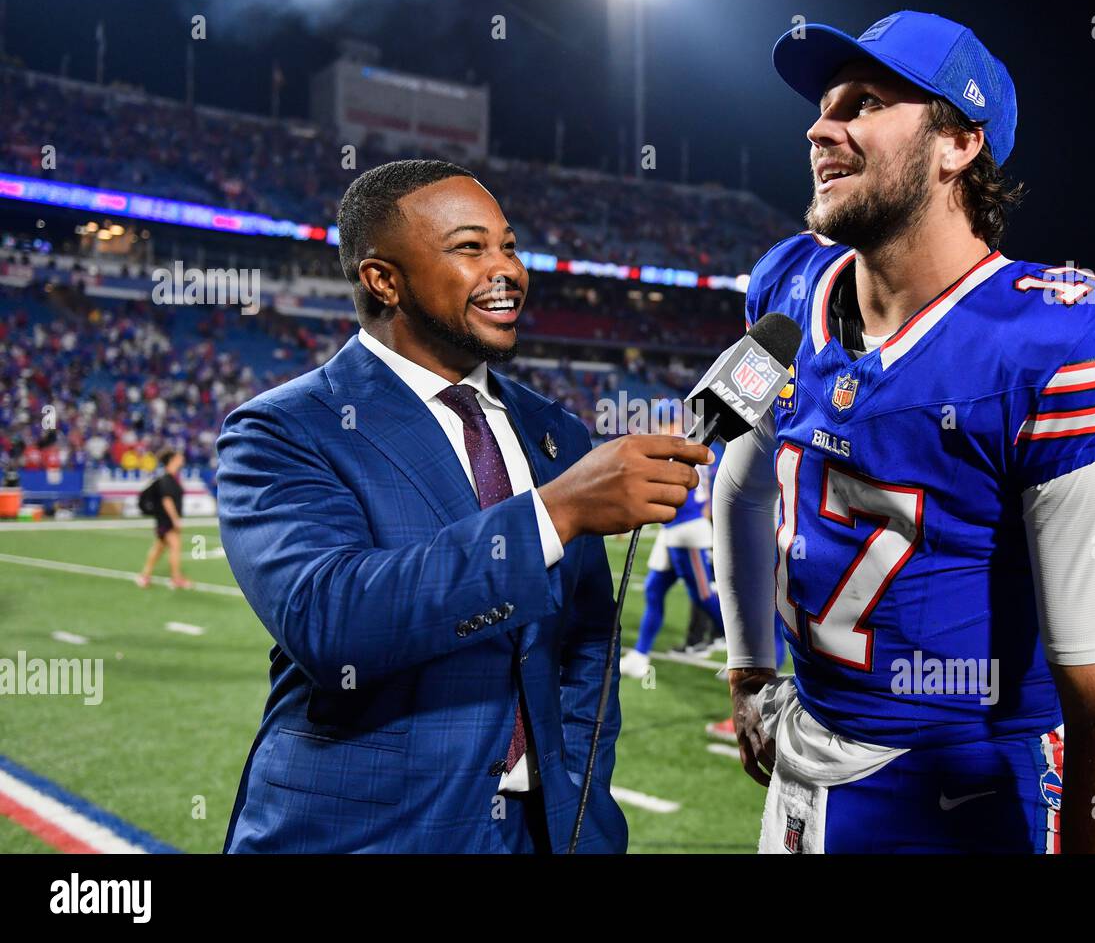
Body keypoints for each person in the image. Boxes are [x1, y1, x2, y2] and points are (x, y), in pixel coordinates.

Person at [713, 11, 1095, 853]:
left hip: (958, 790)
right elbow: (740, 481)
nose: (821, 126)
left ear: (959, 142)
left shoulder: (1056, 343)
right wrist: (748, 672)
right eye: (823, 106)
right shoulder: (787, 281)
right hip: (800, 760)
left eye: (862, 103)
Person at [217, 160, 711, 853]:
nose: (505, 268)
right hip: (365, 836)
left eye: (509, 245)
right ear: (383, 279)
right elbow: (332, 622)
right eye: (470, 248)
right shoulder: (286, 428)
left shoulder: (556, 432)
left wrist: (578, 808)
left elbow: (584, 653)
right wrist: (555, 513)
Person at [621, 401, 725, 680]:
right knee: (654, 589)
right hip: (677, 528)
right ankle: (640, 655)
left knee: (702, 596)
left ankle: (737, 640)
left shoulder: (672, 445)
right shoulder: (689, 442)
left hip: (685, 528)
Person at [135, 449, 193, 590]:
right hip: (166, 520)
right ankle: (176, 578)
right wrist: (175, 519)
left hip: (165, 520)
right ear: (172, 459)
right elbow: (167, 500)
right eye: (179, 456)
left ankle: (144, 575)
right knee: (175, 547)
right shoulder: (166, 480)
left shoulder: (172, 478)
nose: (182, 458)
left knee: (159, 548)